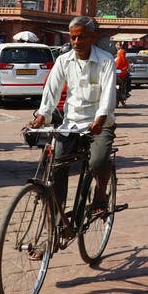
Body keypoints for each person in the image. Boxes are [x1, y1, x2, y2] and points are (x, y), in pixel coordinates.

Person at [27, 16, 116, 215]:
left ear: (93, 37)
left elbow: (108, 96)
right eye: (73, 38)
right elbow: (51, 92)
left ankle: (101, 193)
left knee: (98, 161)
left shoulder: (105, 60)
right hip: (71, 124)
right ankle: (58, 216)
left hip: (99, 124)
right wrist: (42, 117)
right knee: (56, 163)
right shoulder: (63, 60)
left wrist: (100, 120)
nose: (76, 42)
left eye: (82, 37)